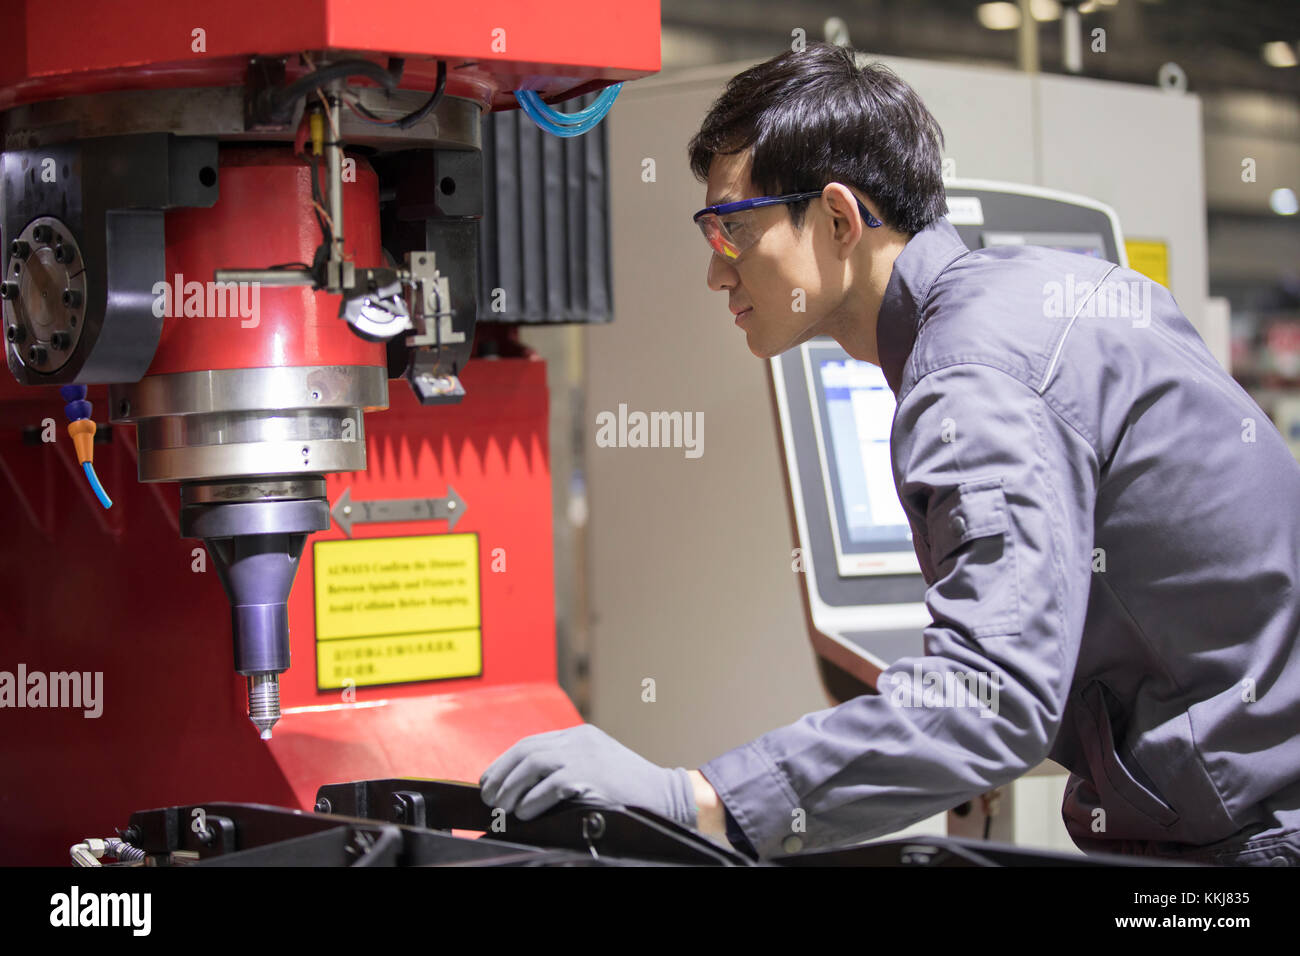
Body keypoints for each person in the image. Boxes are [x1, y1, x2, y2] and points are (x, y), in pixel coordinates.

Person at [480, 43, 1300, 866]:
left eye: (732, 231)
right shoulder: (1038, 295)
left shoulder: (971, 374)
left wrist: (696, 800)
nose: (714, 272)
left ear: (839, 220)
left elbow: (990, 700)